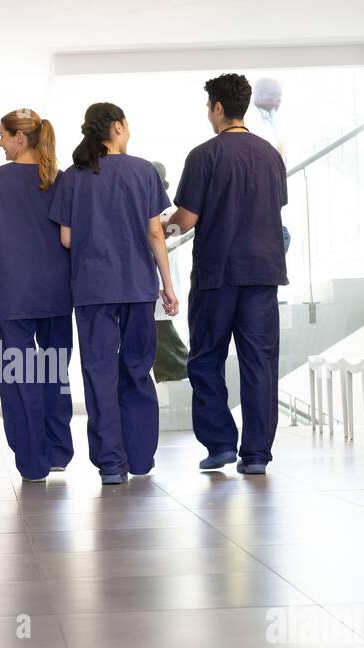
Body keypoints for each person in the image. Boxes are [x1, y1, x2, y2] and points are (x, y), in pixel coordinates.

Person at [49, 103, 179, 485]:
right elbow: (156, 233)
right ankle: (140, 459)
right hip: (137, 287)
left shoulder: (73, 177)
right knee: (137, 370)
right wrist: (168, 285)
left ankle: (110, 464)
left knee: (99, 373)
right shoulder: (143, 171)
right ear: (119, 127)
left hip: (91, 289)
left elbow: (66, 238)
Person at [165, 73, 288, 475]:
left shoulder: (204, 156)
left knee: (205, 360)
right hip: (263, 274)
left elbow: (187, 218)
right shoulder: (271, 155)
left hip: (217, 274)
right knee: (259, 363)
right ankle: (256, 456)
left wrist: (160, 226)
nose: (208, 114)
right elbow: (275, 208)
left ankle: (219, 446)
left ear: (218, 107)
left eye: (208, 107)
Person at [0, 109, 74, 482]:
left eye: (2, 135)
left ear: (20, 138)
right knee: (53, 371)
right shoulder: (61, 180)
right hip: (57, 292)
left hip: (13, 294)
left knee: (19, 375)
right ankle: (59, 450)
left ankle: (32, 461)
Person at [151, 161, 190, 383]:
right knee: (162, 341)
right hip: (161, 286)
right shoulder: (166, 214)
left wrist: (162, 226)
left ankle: (181, 378)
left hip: (161, 286)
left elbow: (170, 232)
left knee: (164, 340)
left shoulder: (167, 214)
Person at [247, 77, 292, 255]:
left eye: (279, 96)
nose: (278, 100)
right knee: (281, 236)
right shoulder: (252, 119)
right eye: (274, 95)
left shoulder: (271, 119)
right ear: (259, 95)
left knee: (281, 236)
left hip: (270, 186)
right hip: (258, 187)